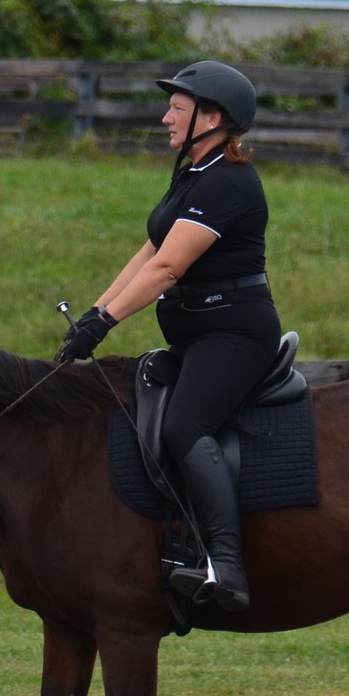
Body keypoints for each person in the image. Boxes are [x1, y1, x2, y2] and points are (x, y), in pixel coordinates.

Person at [56, 60, 280, 612]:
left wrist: (106, 325)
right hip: (197, 336)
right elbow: (151, 250)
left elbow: (167, 271)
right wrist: (93, 313)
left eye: (176, 110)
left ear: (213, 117)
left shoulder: (229, 183)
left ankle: (227, 565)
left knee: (185, 424)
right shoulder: (194, 177)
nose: (165, 119)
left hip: (234, 334)